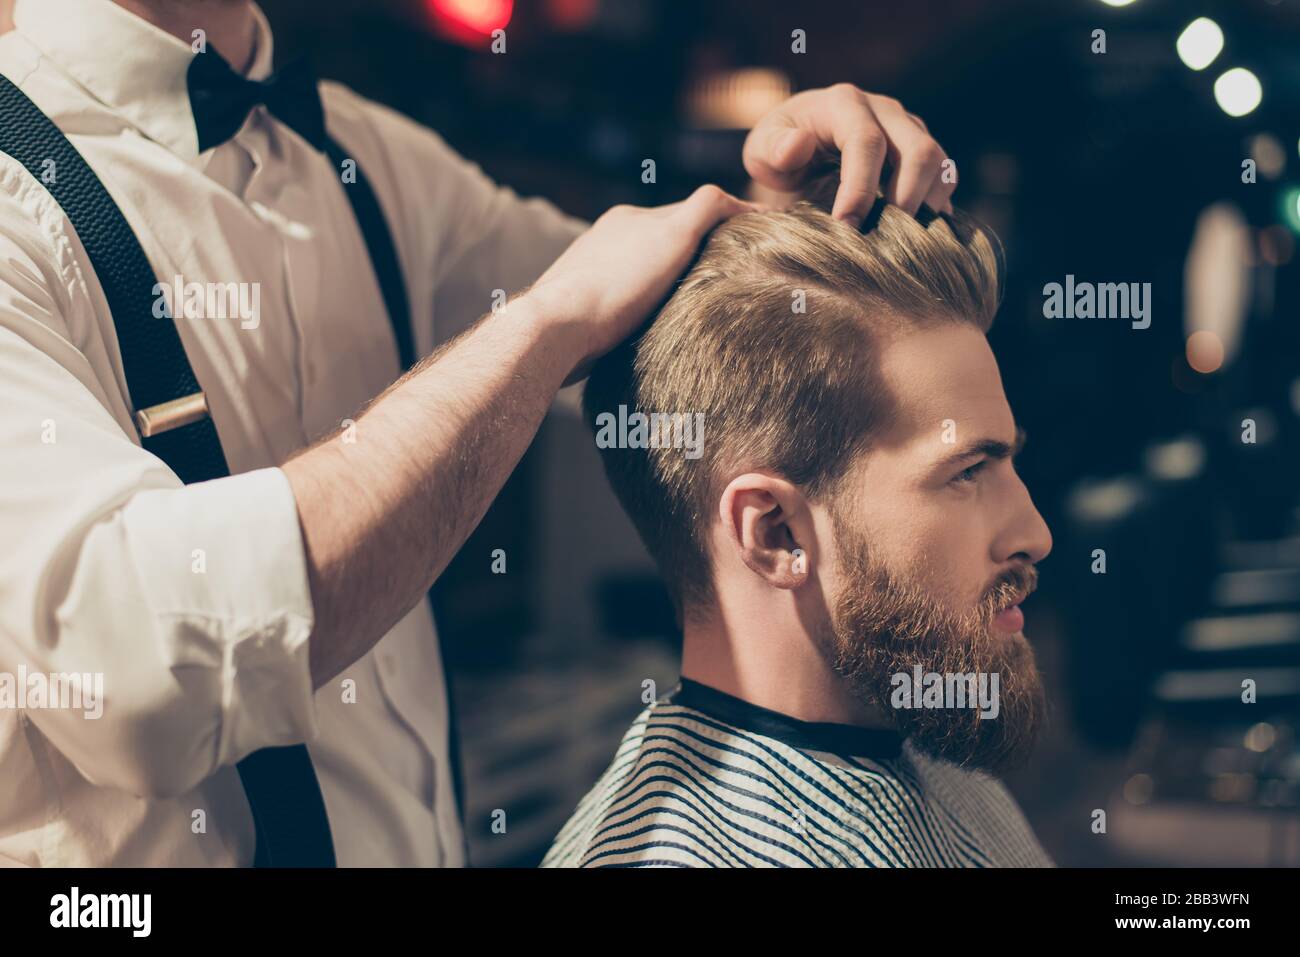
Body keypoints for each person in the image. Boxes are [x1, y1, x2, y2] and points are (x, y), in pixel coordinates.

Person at [0, 0, 959, 866]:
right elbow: (140, 678)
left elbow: (670, 330)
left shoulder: (370, 155)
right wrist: (546, 325)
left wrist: (785, 227)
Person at [544, 182, 1055, 867]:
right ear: (776, 533)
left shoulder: (930, 754)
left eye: (1008, 461)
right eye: (967, 472)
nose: (1035, 535)